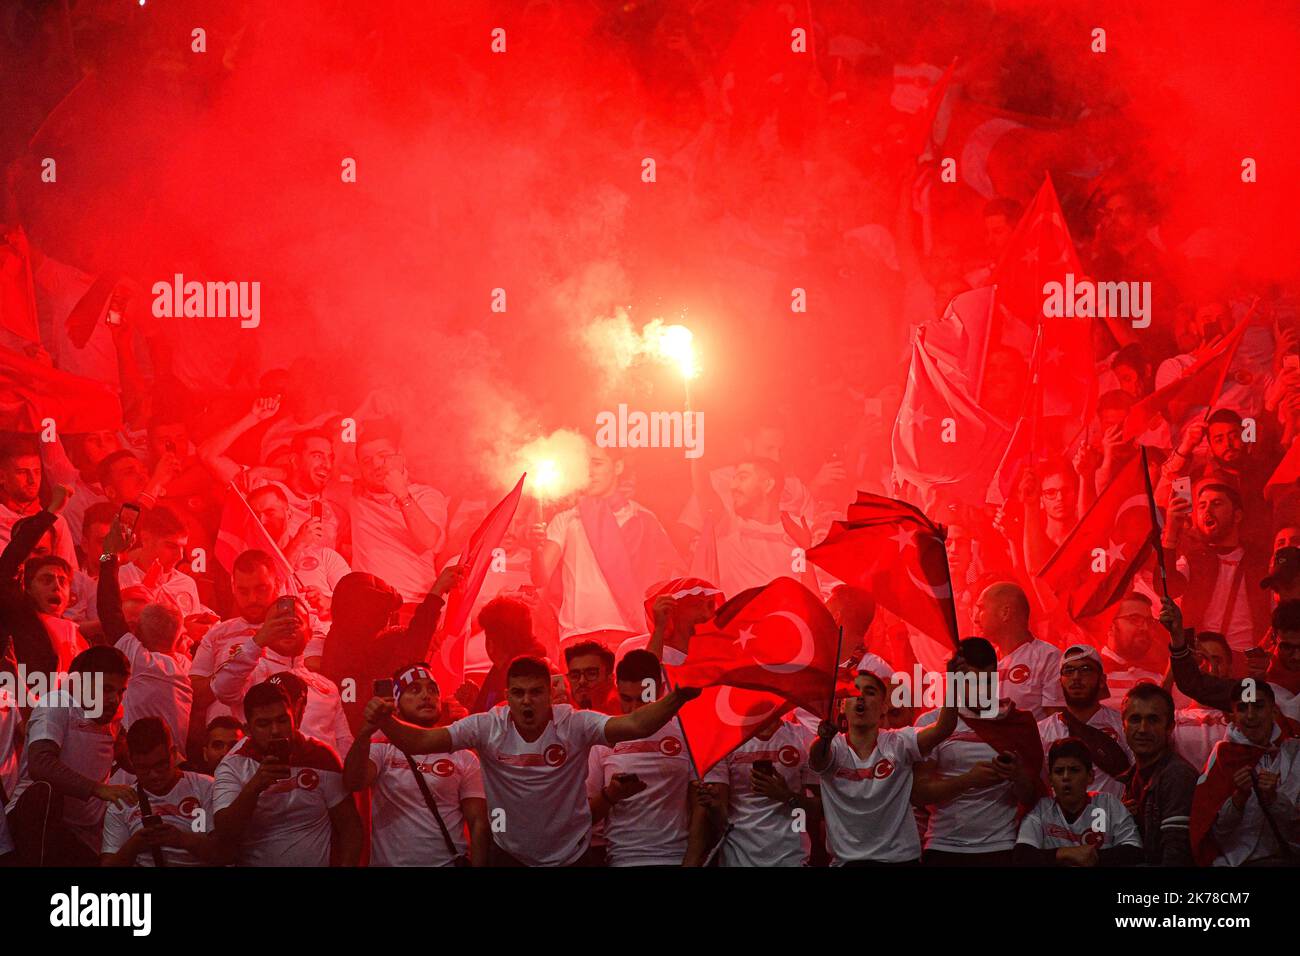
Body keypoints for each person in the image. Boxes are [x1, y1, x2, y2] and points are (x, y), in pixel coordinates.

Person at [368, 655, 700, 866]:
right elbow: (421, 740)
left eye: (536, 692)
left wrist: (678, 697)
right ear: (507, 695)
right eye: (518, 693)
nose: (527, 701)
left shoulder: (574, 723)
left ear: (549, 694)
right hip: (509, 855)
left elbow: (636, 725)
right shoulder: (487, 726)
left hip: (574, 855)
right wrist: (385, 720)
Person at [530, 443, 681, 647]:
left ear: (618, 467)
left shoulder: (642, 519)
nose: (589, 473)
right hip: (578, 634)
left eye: (597, 464)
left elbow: (670, 575)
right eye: (585, 466)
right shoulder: (567, 519)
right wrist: (535, 550)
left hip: (630, 633)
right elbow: (540, 578)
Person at [912, 638, 1044, 865]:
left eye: (988, 681)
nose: (982, 690)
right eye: (973, 681)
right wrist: (968, 780)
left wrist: (1017, 775)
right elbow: (919, 794)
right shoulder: (930, 723)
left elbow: (1032, 796)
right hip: (943, 845)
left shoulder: (1017, 722)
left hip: (1001, 845)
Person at [343, 663, 487, 867]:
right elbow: (353, 782)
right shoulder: (382, 748)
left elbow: (479, 824)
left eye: (432, 689)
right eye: (414, 690)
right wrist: (365, 733)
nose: (426, 696)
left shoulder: (463, 756)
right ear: (397, 702)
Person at [810, 667, 957, 865]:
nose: (861, 697)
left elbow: (943, 728)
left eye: (870, 692)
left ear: (884, 706)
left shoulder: (900, 743)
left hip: (900, 859)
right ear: (843, 706)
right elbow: (818, 759)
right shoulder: (832, 746)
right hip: (847, 861)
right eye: (854, 693)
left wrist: (954, 681)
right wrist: (825, 737)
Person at [4, 646, 136, 865]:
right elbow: (41, 764)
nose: (115, 699)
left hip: (83, 836)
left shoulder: (114, 720)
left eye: (121, 691)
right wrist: (98, 789)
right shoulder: (57, 704)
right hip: (34, 824)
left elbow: (135, 759)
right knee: (45, 792)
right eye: (106, 689)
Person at [212, 680, 362, 866]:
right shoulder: (233, 765)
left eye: (282, 720)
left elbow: (350, 827)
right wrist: (255, 787)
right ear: (248, 730)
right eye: (264, 724)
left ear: (295, 720)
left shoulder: (320, 756)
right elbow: (224, 832)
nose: (275, 730)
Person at [586, 650, 693, 866]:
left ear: (661, 689)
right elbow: (585, 817)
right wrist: (611, 795)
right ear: (617, 690)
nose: (635, 709)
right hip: (623, 857)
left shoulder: (687, 734)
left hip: (677, 856)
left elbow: (702, 803)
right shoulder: (603, 738)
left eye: (644, 698)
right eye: (626, 698)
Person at [198, 396, 345, 552]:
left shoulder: (336, 504)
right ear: (294, 460)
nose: (327, 465)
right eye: (317, 456)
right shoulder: (261, 487)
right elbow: (207, 454)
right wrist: (253, 418)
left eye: (330, 457)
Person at [210, 596, 352, 754]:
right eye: (278, 622)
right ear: (264, 629)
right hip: (264, 773)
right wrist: (256, 642)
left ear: (310, 634)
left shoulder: (328, 687)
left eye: (295, 622)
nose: (287, 628)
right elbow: (222, 689)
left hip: (317, 774)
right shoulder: (248, 675)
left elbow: (344, 743)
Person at [98, 513, 192, 750]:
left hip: (138, 769)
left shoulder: (140, 661)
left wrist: (108, 554)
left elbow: (108, 609)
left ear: (138, 632)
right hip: (176, 768)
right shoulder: (185, 666)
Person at [686, 712, 820, 867]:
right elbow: (721, 819)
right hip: (738, 857)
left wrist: (787, 796)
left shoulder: (804, 737)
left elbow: (821, 809)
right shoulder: (722, 739)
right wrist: (713, 805)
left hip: (791, 856)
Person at [1191, 679, 1300, 866]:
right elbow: (1212, 832)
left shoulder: (1294, 753)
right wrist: (1238, 800)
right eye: (1242, 708)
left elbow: (1296, 826)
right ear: (1232, 715)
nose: (1250, 716)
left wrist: (1275, 799)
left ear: (1273, 711)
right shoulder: (1223, 756)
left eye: (1258, 706)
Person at [1164, 479, 1272, 659]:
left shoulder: (1260, 562)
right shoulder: (1193, 559)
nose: (1207, 510)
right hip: (1201, 659)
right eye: (1202, 505)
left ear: (1237, 516)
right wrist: (1170, 533)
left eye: (1216, 504)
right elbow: (1167, 589)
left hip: (1245, 661)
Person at [347, 418, 447, 602]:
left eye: (383, 456)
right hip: (367, 605)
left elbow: (429, 540)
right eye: (367, 461)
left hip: (414, 603)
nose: (376, 465)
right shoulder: (355, 496)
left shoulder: (427, 495)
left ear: (400, 455)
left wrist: (402, 494)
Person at [1165, 597, 1300, 724]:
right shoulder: (1253, 688)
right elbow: (1193, 684)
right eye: (1287, 647)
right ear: (1274, 638)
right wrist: (1177, 637)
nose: (1296, 656)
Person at [101, 717, 215, 866]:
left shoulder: (205, 787)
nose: (154, 775)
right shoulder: (121, 804)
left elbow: (225, 853)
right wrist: (134, 845)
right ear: (131, 761)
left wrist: (181, 839)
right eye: (144, 768)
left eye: (160, 765)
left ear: (173, 754)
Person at [1013, 738, 1143, 866]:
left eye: (1074, 770)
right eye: (1059, 771)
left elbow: (1134, 850)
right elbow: (1022, 855)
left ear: (1090, 776)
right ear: (1050, 779)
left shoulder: (1108, 804)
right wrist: (1065, 853)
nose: (1066, 777)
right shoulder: (1041, 809)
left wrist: (1094, 856)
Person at [1117, 683, 1197, 865]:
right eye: (1135, 719)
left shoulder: (1177, 776)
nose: (1143, 729)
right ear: (1124, 725)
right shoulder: (1129, 779)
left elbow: (1176, 855)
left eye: (1153, 720)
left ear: (1170, 727)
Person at [1037, 645, 1132, 797]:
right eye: (1068, 671)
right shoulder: (1042, 732)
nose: (1076, 677)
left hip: (1114, 817)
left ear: (1102, 680)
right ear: (1060, 681)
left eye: (1085, 669)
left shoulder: (1123, 725)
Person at [973, 582, 1063, 720]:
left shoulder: (1048, 658)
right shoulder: (979, 664)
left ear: (1005, 613)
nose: (975, 619)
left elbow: (1057, 722)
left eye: (981, 609)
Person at [0, 434, 77, 569]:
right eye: (22, 472)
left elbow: (70, 574)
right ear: (2, 477)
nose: (32, 480)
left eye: (37, 472)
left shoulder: (58, 522)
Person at [115, 505, 202, 617]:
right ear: (146, 539)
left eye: (183, 548)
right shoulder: (119, 578)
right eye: (171, 546)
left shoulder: (187, 584)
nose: (180, 556)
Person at [1100, 594, 1165, 708]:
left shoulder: (1161, 675)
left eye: (1149, 622)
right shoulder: (1088, 672)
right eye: (1134, 619)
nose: (1145, 627)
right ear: (1110, 625)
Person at [564, 640, 618, 714]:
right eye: (575, 676)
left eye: (591, 674)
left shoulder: (626, 713)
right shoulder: (563, 713)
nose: (581, 681)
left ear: (610, 678)